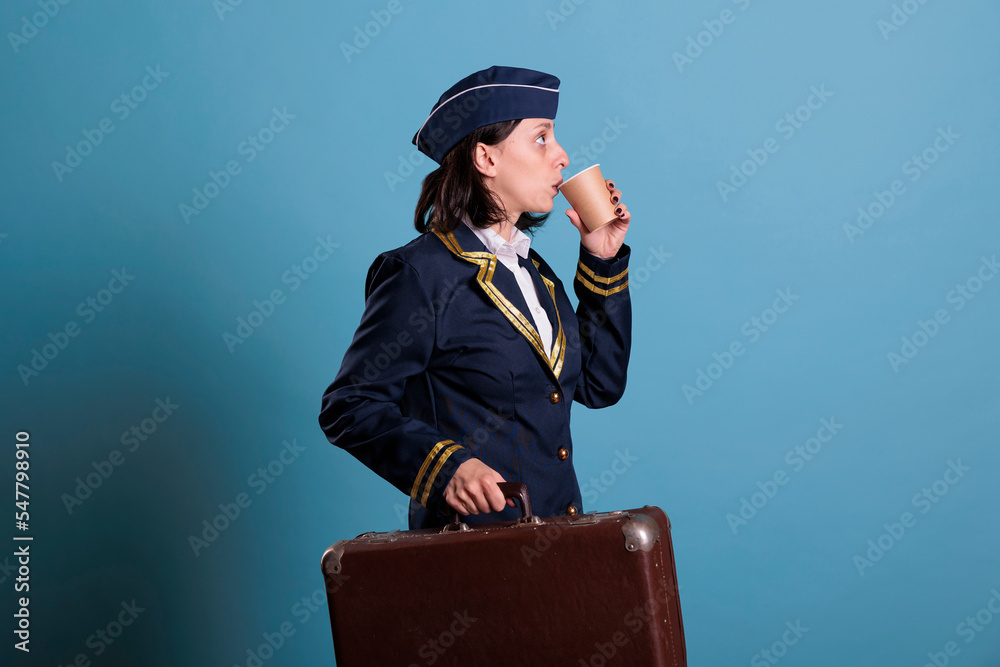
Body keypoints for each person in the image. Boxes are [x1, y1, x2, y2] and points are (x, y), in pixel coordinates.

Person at [318, 65, 632, 530]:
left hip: (560, 552)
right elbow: (350, 406)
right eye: (542, 138)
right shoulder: (420, 274)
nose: (562, 155)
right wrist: (448, 468)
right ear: (485, 158)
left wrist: (601, 259)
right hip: (471, 560)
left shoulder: (535, 274)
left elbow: (599, 385)